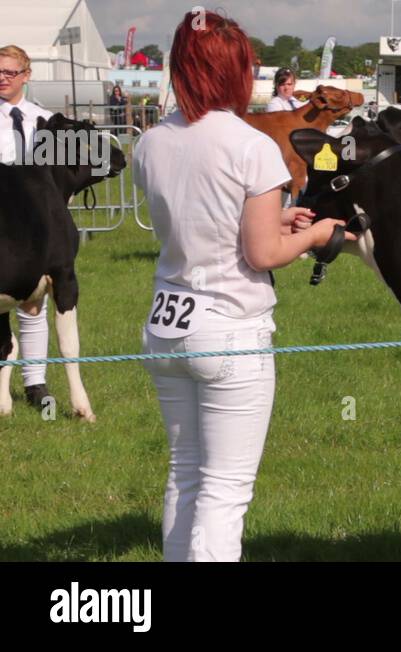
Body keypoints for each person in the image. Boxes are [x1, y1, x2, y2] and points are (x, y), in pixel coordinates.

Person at [133, 11, 350, 562]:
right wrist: (315, 232)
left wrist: (279, 221)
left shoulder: (151, 143)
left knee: (184, 475)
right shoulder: (251, 144)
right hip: (229, 327)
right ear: (238, 71)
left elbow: (199, 222)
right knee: (225, 491)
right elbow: (262, 255)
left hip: (166, 323)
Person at [0, 44, 53, 409]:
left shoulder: (44, 120)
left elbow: (58, 178)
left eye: (10, 73)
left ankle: (36, 385)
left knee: (35, 304)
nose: (3, 78)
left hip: (37, 227)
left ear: (27, 75)